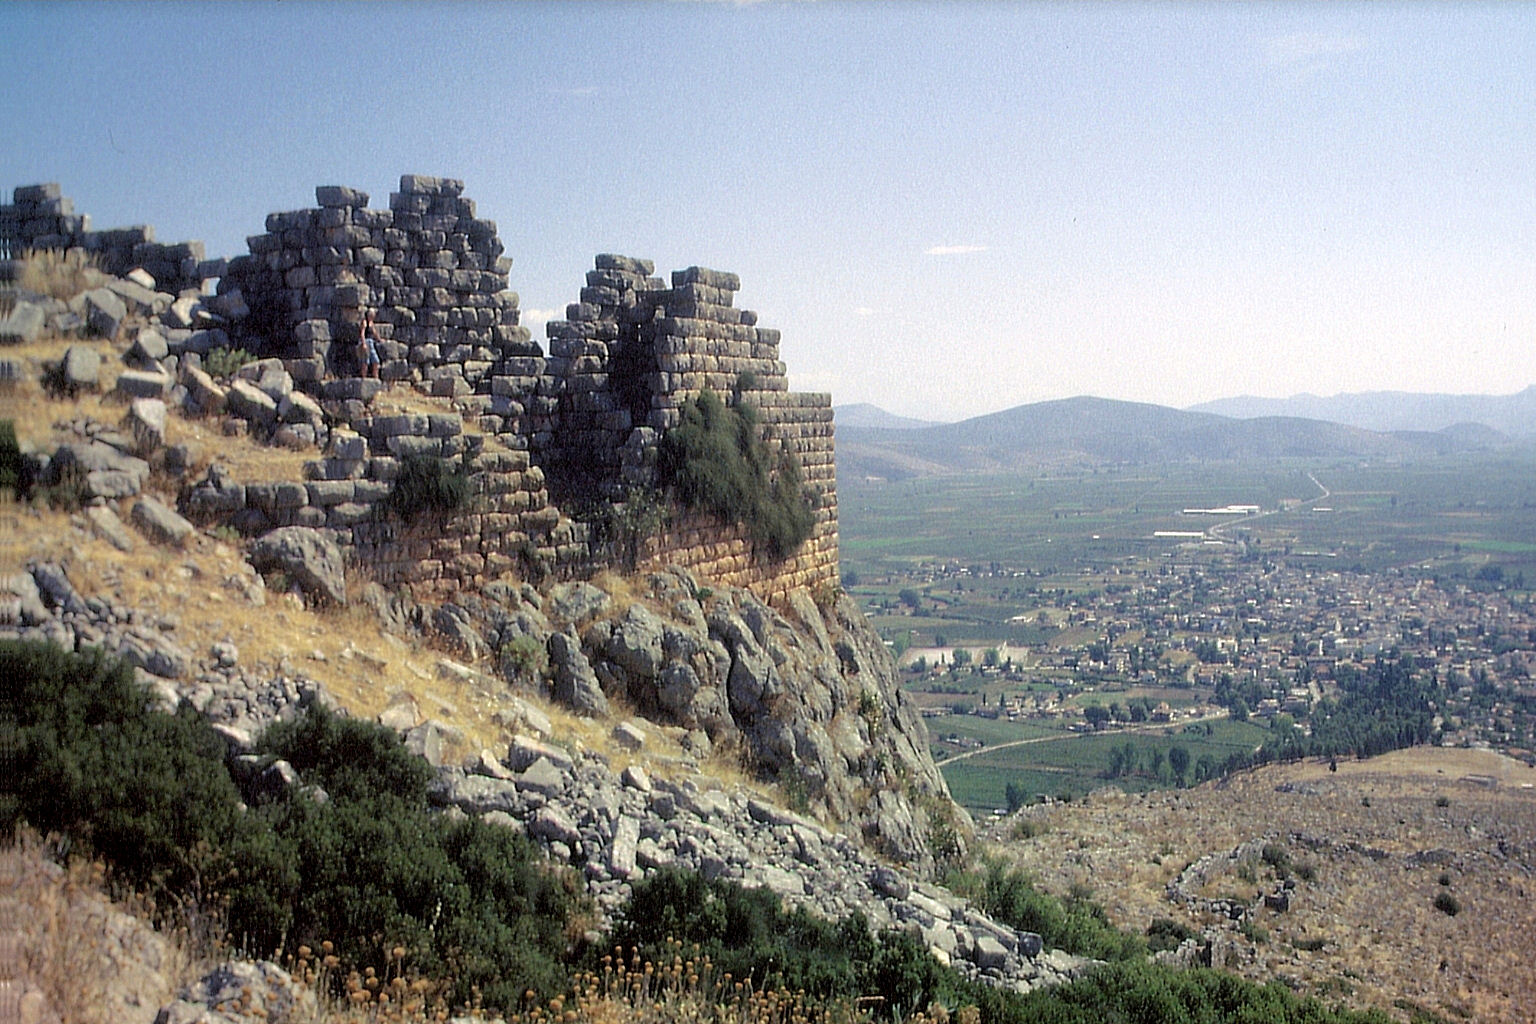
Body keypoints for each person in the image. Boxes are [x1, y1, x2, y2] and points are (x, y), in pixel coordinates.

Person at [356, 312, 381, 379]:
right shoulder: (364, 322)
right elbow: (362, 334)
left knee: (376, 361)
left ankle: (375, 378)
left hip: (371, 343)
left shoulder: (371, 323)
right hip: (366, 342)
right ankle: (364, 378)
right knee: (365, 362)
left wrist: (380, 339)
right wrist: (363, 343)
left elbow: (374, 333)